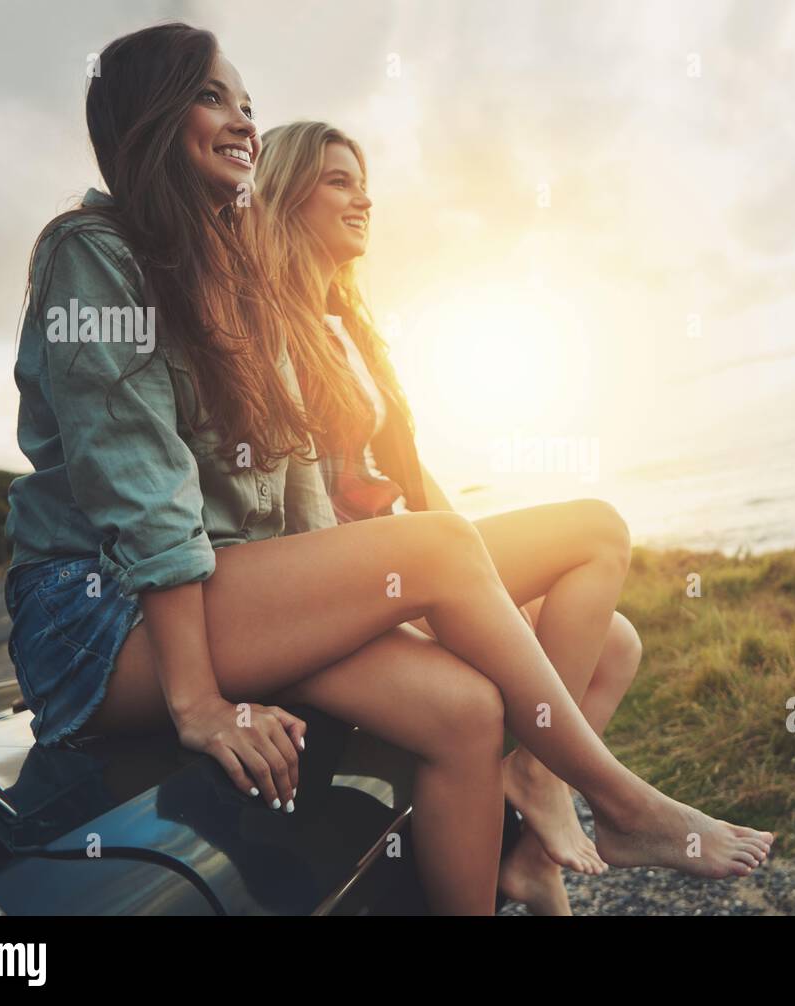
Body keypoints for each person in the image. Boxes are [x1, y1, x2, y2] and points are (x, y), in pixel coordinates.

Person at [4, 22, 773, 917]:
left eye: (249, 103)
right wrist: (202, 704)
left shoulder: (237, 279)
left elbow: (293, 486)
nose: (244, 120)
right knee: (444, 547)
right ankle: (621, 801)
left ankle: (516, 856)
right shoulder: (92, 251)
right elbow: (140, 487)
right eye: (213, 97)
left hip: (224, 590)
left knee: (462, 709)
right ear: (148, 116)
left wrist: (364, 600)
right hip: (101, 618)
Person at [255, 120, 659, 914]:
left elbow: (405, 473)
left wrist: (473, 566)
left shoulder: (352, 325)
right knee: (598, 529)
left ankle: (526, 832)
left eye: (362, 179)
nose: (362, 196)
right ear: (285, 192)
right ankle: (539, 786)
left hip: (411, 553)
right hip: (346, 575)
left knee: (613, 643)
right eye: (338, 180)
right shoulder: (265, 317)